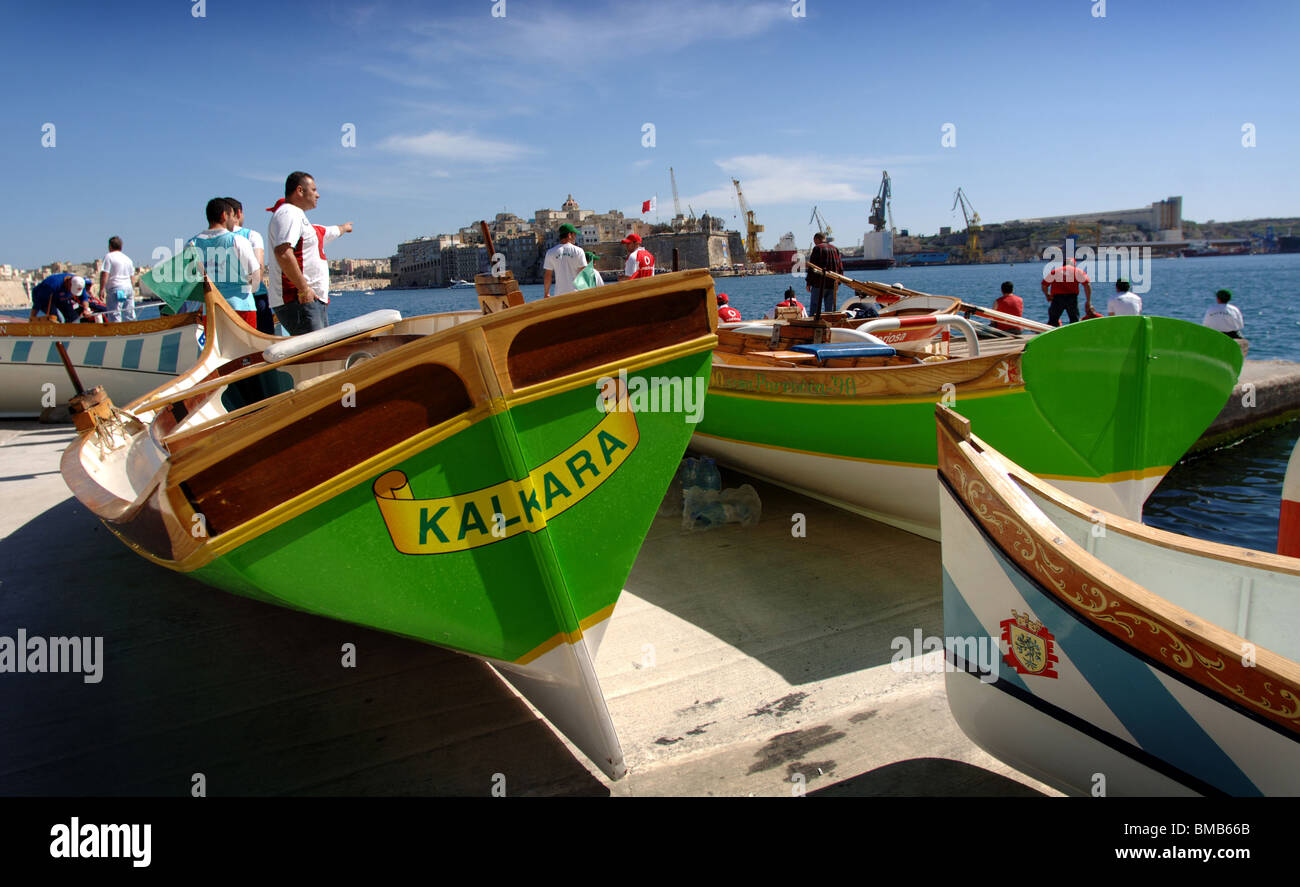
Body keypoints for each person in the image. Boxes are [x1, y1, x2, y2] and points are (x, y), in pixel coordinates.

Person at [267, 171, 350, 335]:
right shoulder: (290, 213)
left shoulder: (297, 217)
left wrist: (344, 228)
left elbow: (329, 231)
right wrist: (304, 289)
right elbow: (283, 252)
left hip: (306, 299)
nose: (318, 195)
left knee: (321, 351)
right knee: (315, 354)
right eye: (313, 190)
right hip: (298, 299)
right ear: (300, 190)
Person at [188, 197, 261, 325]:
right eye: (232, 216)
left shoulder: (191, 244)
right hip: (241, 306)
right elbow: (255, 275)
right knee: (245, 346)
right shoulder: (237, 240)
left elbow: (192, 280)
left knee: (217, 346)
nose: (234, 220)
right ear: (224, 215)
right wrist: (248, 289)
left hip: (211, 309)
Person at [225, 198, 273, 333]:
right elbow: (259, 267)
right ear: (239, 213)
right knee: (264, 344)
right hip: (253, 297)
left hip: (225, 301)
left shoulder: (213, 239)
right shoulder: (251, 235)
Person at [1041, 257, 1092, 326]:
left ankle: (1053, 335)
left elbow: (1044, 285)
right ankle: (1073, 335)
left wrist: (1047, 294)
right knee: (1074, 321)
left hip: (1057, 299)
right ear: (1074, 264)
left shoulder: (1055, 271)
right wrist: (1088, 300)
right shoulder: (1077, 271)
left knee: (1053, 320)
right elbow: (1087, 285)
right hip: (1072, 298)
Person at [98, 237, 137, 323]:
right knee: (130, 313)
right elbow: (132, 277)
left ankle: (117, 334)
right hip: (128, 288)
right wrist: (132, 289)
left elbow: (105, 273)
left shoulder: (109, 256)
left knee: (114, 314)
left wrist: (101, 289)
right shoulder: (128, 259)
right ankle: (133, 331)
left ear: (110, 246)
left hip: (116, 288)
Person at [542, 223, 588, 298]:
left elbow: (548, 275)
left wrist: (546, 293)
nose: (575, 237)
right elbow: (583, 273)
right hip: (576, 294)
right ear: (569, 235)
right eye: (574, 235)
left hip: (559, 295)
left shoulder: (550, 252)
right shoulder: (579, 251)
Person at [806, 232, 843, 313]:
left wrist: (808, 283)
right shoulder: (835, 249)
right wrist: (838, 282)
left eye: (814, 241)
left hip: (819, 284)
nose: (815, 243)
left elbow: (812, 267)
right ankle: (829, 323)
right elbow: (840, 267)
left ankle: (814, 324)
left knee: (814, 307)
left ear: (817, 239)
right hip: (832, 283)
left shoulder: (817, 248)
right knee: (829, 309)